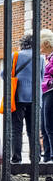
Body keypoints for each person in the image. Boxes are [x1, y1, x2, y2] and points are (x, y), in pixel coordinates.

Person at [9, 32, 39, 163]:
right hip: (35, 98)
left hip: (17, 97)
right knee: (33, 130)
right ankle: (35, 158)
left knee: (16, 128)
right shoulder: (40, 58)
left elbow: (5, 74)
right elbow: (42, 77)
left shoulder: (15, 56)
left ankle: (16, 157)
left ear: (22, 44)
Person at [41, 28, 53, 163]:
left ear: (46, 43)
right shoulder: (45, 58)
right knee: (44, 126)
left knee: (49, 125)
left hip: (51, 92)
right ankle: (48, 154)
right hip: (45, 93)